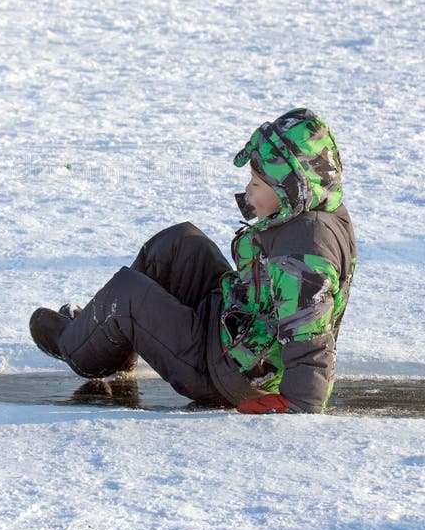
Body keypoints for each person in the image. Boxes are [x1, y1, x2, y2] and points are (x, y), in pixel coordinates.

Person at [29, 108, 356, 414]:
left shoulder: (304, 258)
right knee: (180, 242)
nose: (247, 190)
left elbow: (309, 335)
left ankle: (79, 350)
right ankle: (109, 340)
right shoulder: (309, 213)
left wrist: (299, 403)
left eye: (256, 184)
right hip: (234, 329)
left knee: (126, 295)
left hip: (226, 374)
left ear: (290, 189)